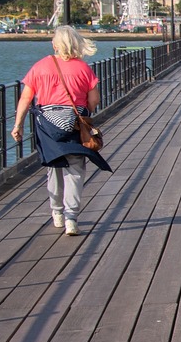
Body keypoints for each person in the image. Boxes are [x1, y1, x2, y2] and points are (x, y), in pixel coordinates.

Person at [11, 26, 112, 235]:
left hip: (48, 125)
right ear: (76, 43)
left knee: (54, 168)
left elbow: (26, 98)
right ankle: (71, 218)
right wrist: (85, 112)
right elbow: (94, 100)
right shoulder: (83, 69)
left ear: (55, 44)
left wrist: (18, 124)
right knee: (75, 169)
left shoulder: (40, 67)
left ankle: (56, 213)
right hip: (74, 122)